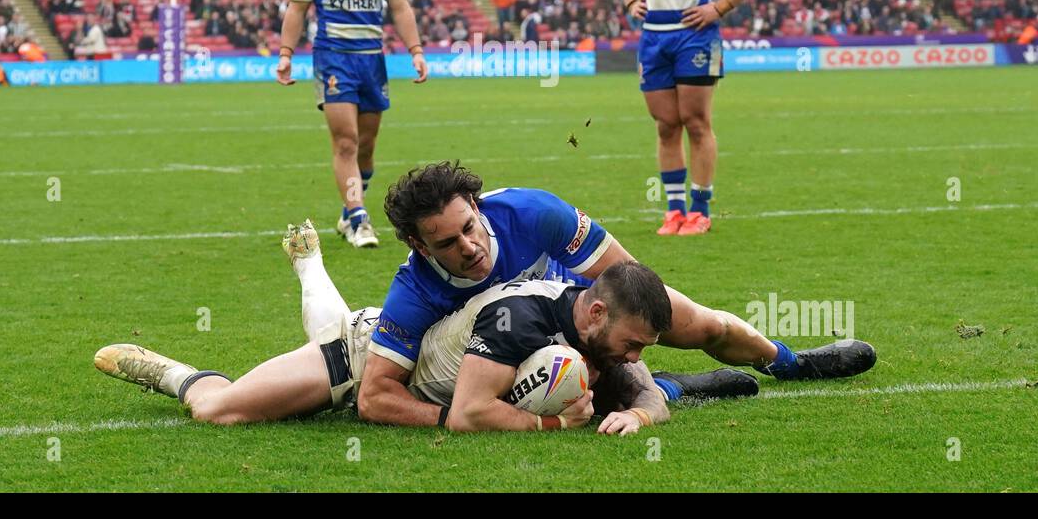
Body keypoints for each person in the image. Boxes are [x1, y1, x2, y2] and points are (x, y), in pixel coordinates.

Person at [354, 162, 876, 427]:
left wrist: (623, 333)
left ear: (475, 204)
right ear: (420, 246)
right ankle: (674, 389)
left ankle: (788, 363)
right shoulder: (413, 289)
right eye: (448, 242)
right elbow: (375, 395)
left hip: (584, 311)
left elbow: (626, 278)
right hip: (518, 353)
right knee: (590, 398)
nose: (467, 246)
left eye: (470, 226)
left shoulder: (535, 214)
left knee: (698, 324)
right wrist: (468, 418)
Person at [93, 225, 747, 433]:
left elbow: (645, 389)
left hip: (417, 348)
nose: (634, 356)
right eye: (632, 342)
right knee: (223, 412)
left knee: (335, 324)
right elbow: (468, 413)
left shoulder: (600, 327)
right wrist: (552, 424)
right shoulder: (522, 318)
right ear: (596, 315)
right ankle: (173, 372)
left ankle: (312, 268)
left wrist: (641, 415)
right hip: (362, 357)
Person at [612, 0, 768, 235]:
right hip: (654, 41)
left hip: (694, 39)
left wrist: (720, 7)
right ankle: (674, 211)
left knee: (696, 123)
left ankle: (700, 211)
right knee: (666, 125)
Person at [276, 0, 429, 248]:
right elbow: (297, 9)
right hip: (333, 61)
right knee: (345, 141)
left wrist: (416, 50)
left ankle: (348, 211)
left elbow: (399, 8)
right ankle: (359, 219)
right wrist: (285, 54)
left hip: (372, 62)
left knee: (366, 146)